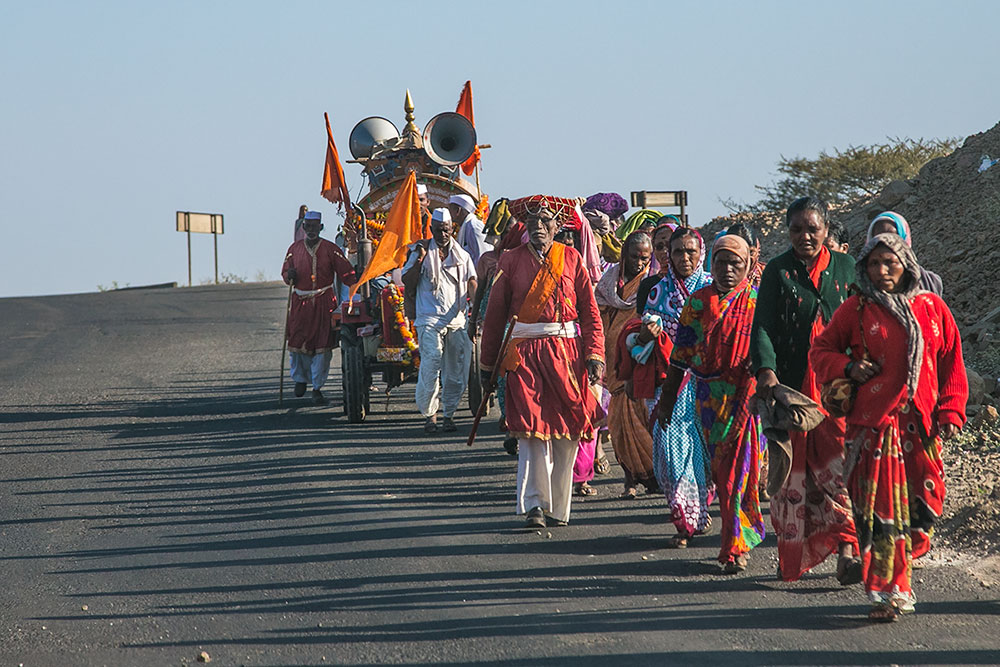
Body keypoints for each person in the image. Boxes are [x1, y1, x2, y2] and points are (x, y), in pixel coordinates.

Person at [810, 233, 967, 621]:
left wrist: (950, 412)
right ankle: (888, 592)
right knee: (880, 514)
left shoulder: (932, 308)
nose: (881, 271)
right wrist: (848, 367)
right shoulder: (856, 310)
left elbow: (951, 363)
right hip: (873, 428)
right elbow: (821, 350)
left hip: (921, 428)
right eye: (874, 264)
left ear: (907, 265)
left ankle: (899, 573)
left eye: (890, 263)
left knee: (925, 509)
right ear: (863, 267)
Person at [751, 196, 861, 584]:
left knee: (839, 469)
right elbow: (762, 325)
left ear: (827, 231)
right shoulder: (777, 272)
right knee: (792, 475)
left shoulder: (848, 268)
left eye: (812, 229)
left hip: (839, 390)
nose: (805, 237)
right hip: (793, 391)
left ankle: (848, 549)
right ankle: (793, 553)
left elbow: (863, 322)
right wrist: (766, 370)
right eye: (797, 229)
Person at [480, 195, 605, 529]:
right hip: (525, 357)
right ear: (524, 226)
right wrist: (487, 367)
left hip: (567, 355)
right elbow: (494, 318)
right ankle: (535, 505)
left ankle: (558, 508)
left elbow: (591, 314)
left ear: (558, 225)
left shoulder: (572, 258)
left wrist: (595, 355)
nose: (539, 227)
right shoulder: (509, 260)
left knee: (567, 433)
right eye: (532, 221)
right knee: (533, 434)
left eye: (546, 221)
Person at [657, 234, 765, 573]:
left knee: (740, 475)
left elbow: (768, 354)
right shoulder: (698, 303)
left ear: (748, 264)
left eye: (736, 263)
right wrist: (668, 400)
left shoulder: (756, 302)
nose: (728, 270)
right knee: (723, 473)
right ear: (711, 263)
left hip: (747, 398)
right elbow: (680, 357)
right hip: (708, 400)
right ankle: (736, 537)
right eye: (721, 262)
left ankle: (735, 547)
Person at [630, 224, 714, 546]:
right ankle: (685, 517)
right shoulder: (656, 292)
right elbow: (637, 343)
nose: (683, 257)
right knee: (669, 450)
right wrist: (644, 337)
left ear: (701, 252)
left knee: (703, 450)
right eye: (676, 251)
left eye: (690, 251)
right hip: (669, 382)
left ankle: (698, 510)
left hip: (707, 383)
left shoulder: (713, 287)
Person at [402, 208, 477, 433]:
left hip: (456, 320)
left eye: (445, 230)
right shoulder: (419, 251)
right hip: (429, 320)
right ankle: (430, 416)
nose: (442, 235)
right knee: (431, 363)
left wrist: (479, 307)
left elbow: (472, 281)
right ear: (432, 229)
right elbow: (407, 280)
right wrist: (419, 260)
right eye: (437, 231)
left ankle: (449, 414)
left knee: (455, 370)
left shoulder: (463, 256)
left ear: (452, 229)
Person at [596, 232, 657, 499]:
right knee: (619, 424)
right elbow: (597, 315)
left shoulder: (653, 285)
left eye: (645, 258)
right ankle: (629, 480)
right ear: (624, 255)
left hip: (642, 360)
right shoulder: (609, 283)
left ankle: (653, 475)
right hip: (614, 358)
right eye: (635, 257)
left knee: (643, 420)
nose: (640, 263)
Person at [282, 211, 358, 404]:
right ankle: (299, 380)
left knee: (323, 346)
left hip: (324, 302)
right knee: (297, 342)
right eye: (309, 226)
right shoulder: (294, 249)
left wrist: (359, 279)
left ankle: (317, 387)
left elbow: (347, 272)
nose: (312, 230)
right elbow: (285, 273)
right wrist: (289, 275)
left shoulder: (331, 249)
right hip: (300, 303)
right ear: (304, 228)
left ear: (320, 228)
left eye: (316, 227)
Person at [866, 211, 943, 295]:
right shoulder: (864, 286)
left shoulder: (931, 281)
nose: (885, 241)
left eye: (892, 236)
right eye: (879, 236)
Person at [451, 194, 492, 265]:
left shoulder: (474, 226)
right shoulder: (466, 225)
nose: (449, 213)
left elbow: (482, 254)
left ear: (458, 210)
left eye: (450, 209)